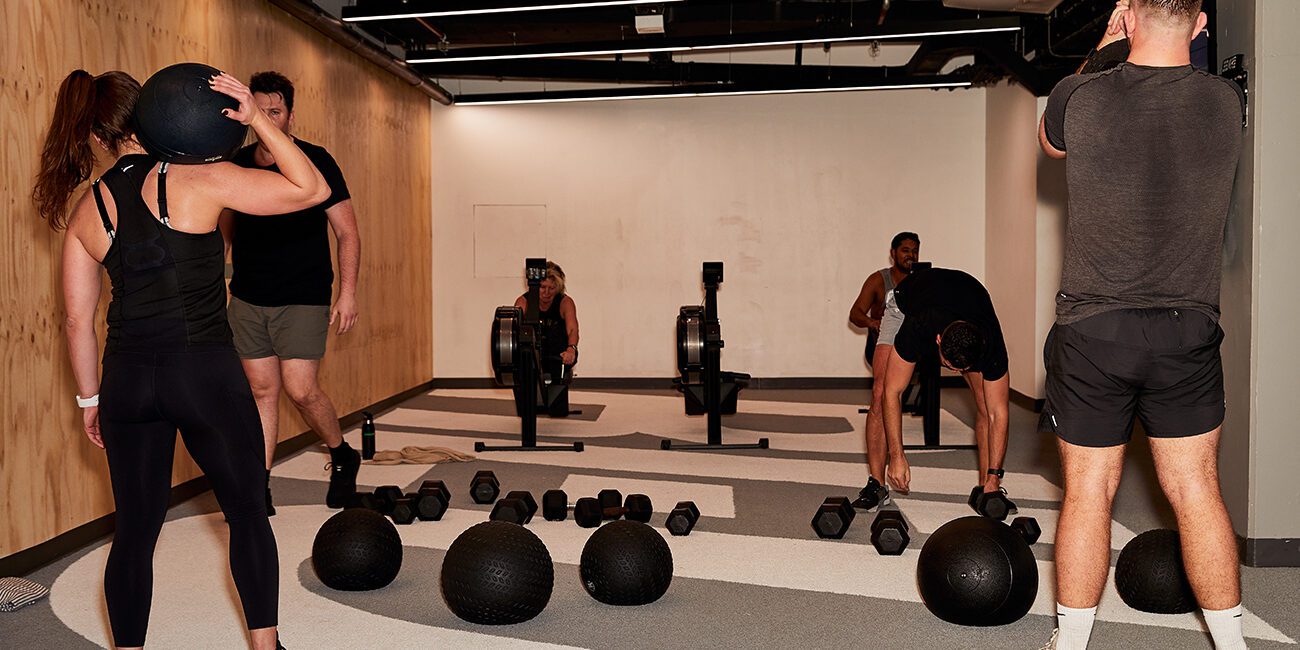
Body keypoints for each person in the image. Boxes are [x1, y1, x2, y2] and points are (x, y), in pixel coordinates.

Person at [35, 68, 328, 649]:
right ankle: (266, 647)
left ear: (98, 135)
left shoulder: (87, 208)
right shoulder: (198, 178)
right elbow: (310, 189)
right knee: (246, 513)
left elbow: (77, 321)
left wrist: (91, 398)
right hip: (204, 375)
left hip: (127, 383)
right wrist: (257, 122)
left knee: (134, 534)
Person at [1037, 1, 1247, 648]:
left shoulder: (1081, 96)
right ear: (1202, 25)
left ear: (1126, 18)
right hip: (1187, 329)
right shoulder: (1226, 104)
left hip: (1094, 329)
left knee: (1088, 493)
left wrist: (1103, 47)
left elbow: (1049, 139)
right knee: (1196, 490)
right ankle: (1233, 645)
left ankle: (1071, 642)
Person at [219, 71, 361, 513]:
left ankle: (341, 454)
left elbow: (347, 233)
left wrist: (348, 292)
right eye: (259, 111)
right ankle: (259, 484)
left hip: (303, 295)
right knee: (262, 392)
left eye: (274, 111)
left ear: (290, 115)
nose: (266, 119)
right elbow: (224, 228)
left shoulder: (316, 160)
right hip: (248, 296)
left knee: (301, 390)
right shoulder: (236, 164)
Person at [877, 268, 1013, 510]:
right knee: (881, 389)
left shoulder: (990, 343)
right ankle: (875, 484)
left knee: (985, 402)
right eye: (948, 366)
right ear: (938, 340)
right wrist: (897, 455)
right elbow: (893, 393)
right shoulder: (919, 325)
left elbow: (998, 413)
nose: (952, 372)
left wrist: (995, 474)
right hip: (907, 298)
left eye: (959, 368)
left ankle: (987, 486)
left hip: (970, 295)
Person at [847, 232, 919, 509]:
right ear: (893, 253)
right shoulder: (879, 280)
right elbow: (855, 313)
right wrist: (872, 323)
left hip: (913, 344)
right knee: (880, 393)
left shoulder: (920, 280)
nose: (909, 255)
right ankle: (876, 483)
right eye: (904, 250)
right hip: (884, 339)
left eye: (914, 250)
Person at [513, 261, 579, 381]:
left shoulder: (565, 302)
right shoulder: (523, 302)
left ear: (558, 288)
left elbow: (572, 330)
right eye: (543, 287)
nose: (546, 293)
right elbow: (514, 332)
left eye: (551, 288)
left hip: (558, 356)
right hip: (531, 358)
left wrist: (571, 349)